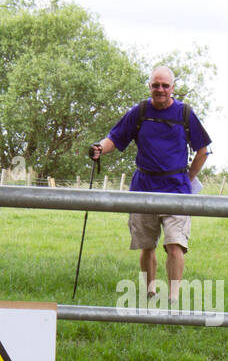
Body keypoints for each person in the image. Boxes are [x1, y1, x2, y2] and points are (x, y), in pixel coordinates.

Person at [89, 67, 211, 303]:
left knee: (175, 245)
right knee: (147, 245)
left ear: (173, 88)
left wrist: (188, 178)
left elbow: (203, 150)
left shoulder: (185, 113)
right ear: (149, 87)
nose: (160, 90)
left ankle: (173, 298)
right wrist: (99, 149)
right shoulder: (140, 111)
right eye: (156, 85)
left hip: (176, 189)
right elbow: (115, 138)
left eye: (165, 86)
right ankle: (149, 293)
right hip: (143, 186)